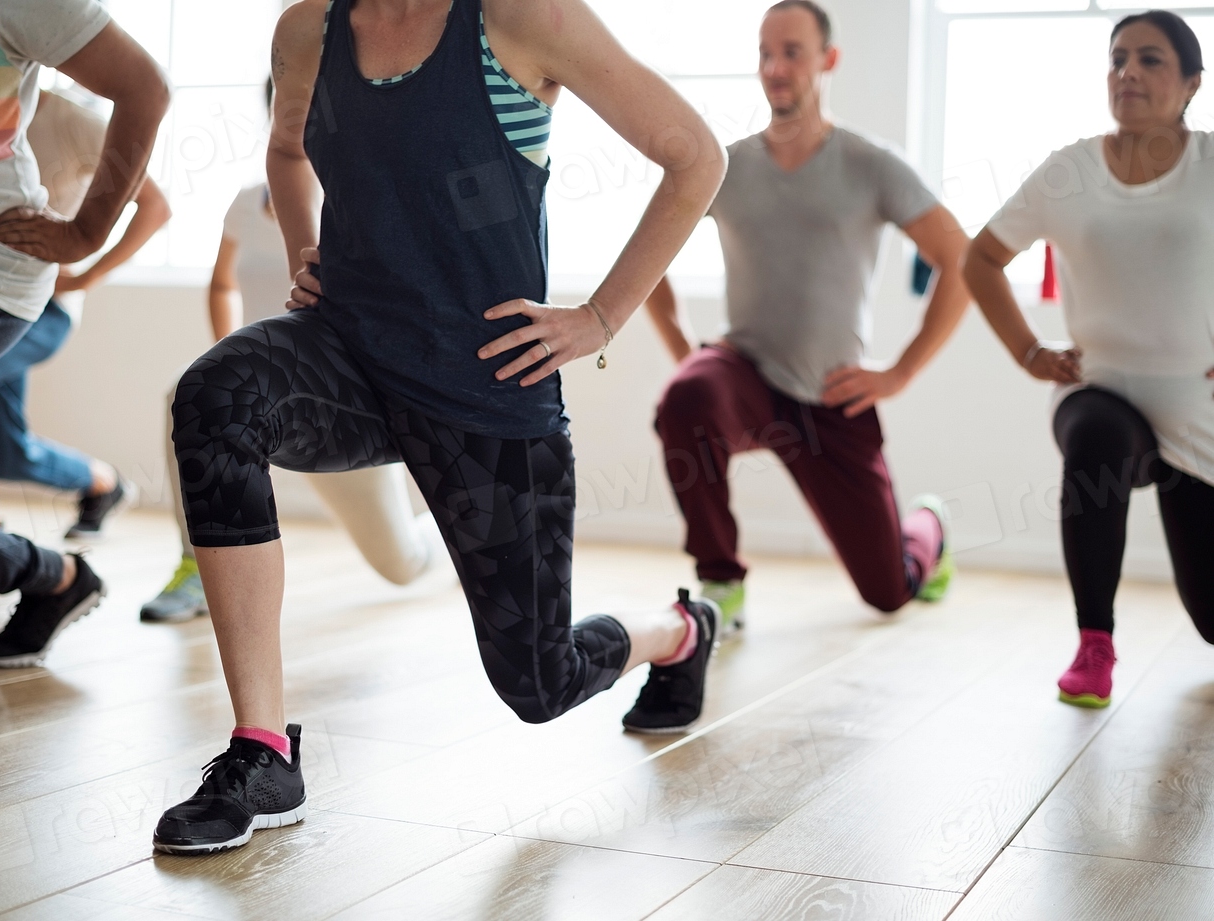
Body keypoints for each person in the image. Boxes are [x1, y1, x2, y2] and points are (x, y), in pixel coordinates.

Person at [151, 0, 726, 855]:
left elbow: (694, 158)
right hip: (344, 350)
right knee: (214, 397)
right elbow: (284, 145)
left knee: (540, 681)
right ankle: (263, 749)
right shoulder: (308, 27)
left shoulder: (523, 19)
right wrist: (308, 249)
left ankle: (680, 631)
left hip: (485, 381)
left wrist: (600, 318)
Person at [646, 0, 970, 632]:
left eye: (791, 51)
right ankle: (721, 579)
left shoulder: (872, 164)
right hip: (744, 372)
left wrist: (900, 372)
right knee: (685, 398)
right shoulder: (725, 166)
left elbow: (959, 261)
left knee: (888, 593)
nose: (775, 67)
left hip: (831, 393)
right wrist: (687, 353)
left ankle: (928, 528)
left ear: (829, 60)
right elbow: (649, 258)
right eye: (765, 53)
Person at [965, 10, 1214, 709]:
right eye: (1117, 58)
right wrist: (1028, 351)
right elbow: (980, 257)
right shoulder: (1068, 170)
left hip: (1199, 407)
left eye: (1150, 60)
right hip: (1100, 390)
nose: (1127, 72)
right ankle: (1094, 644)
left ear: (1192, 82)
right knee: (1097, 441)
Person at [0, 0, 170, 668]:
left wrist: (85, 234)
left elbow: (144, 85)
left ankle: (76, 492)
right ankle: (54, 578)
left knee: (3, 439)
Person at [142, 88, 447, 624]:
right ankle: (194, 566)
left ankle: (467, 544)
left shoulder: (363, 203)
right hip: (266, 384)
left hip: (334, 398)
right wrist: (223, 361)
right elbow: (221, 285)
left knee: (402, 564)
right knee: (183, 390)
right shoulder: (245, 202)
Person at [0, 90, 171, 540]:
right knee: (9, 452)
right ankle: (103, 484)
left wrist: (83, 278)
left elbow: (156, 206)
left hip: (46, 309)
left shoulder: (73, 121)